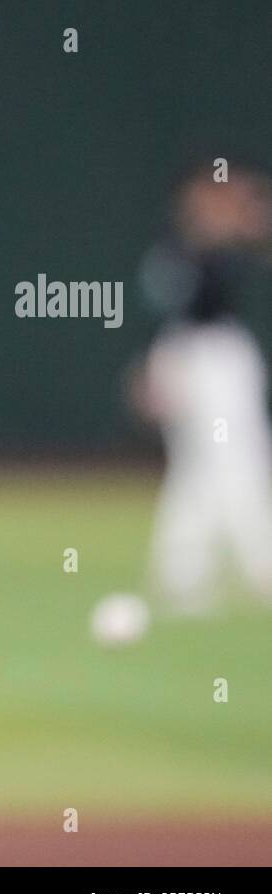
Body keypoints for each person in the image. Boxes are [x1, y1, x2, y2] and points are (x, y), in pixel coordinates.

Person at [134, 164, 272, 615]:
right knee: (230, 461)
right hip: (201, 359)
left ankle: (185, 574)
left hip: (210, 355)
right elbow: (180, 311)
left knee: (214, 466)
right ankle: (246, 568)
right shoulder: (179, 253)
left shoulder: (212, 249)